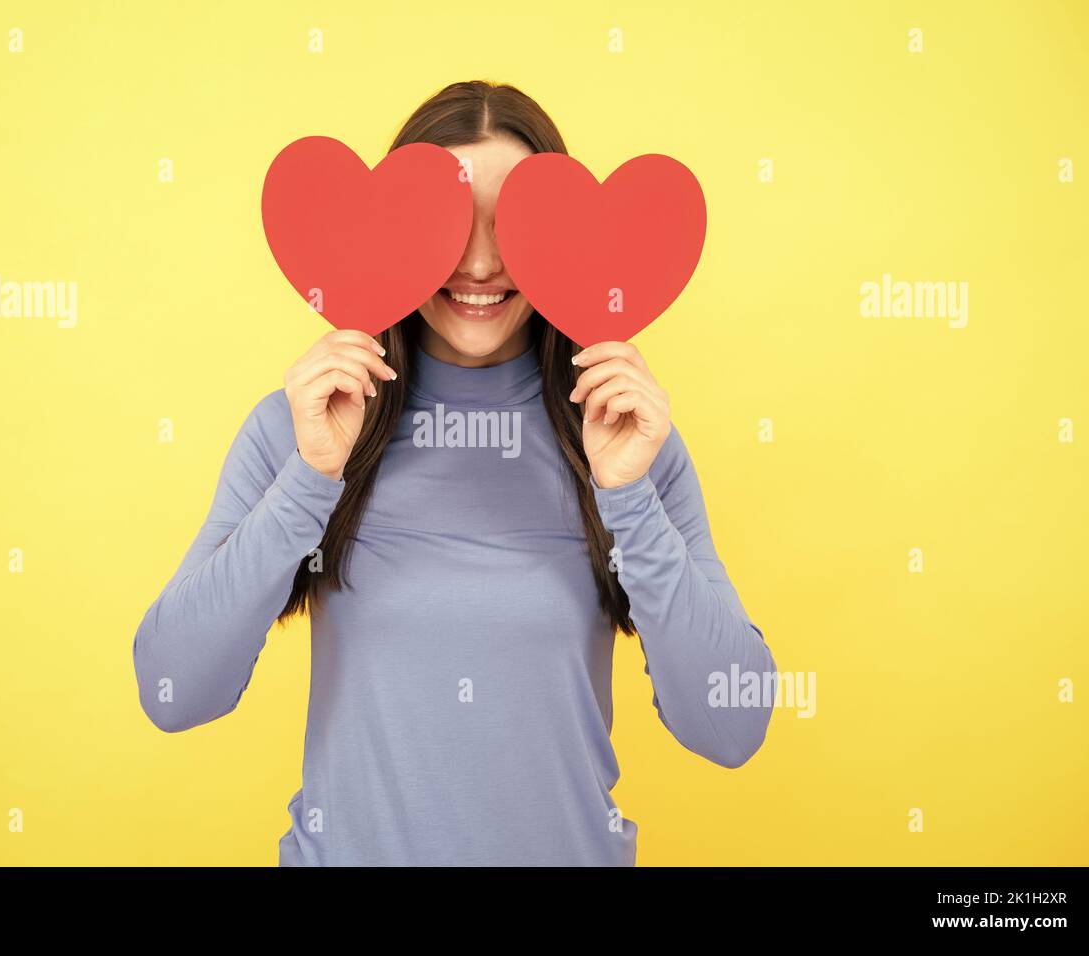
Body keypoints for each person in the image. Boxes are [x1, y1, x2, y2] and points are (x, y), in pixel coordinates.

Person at [132, 80, 776, 866]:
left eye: (510, 225)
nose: (478, 262)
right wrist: (309, 480)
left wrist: (630, 499)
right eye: (449, 225)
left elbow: (731, 727)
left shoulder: (627, 442)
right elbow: (174, 691)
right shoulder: (300, 427)